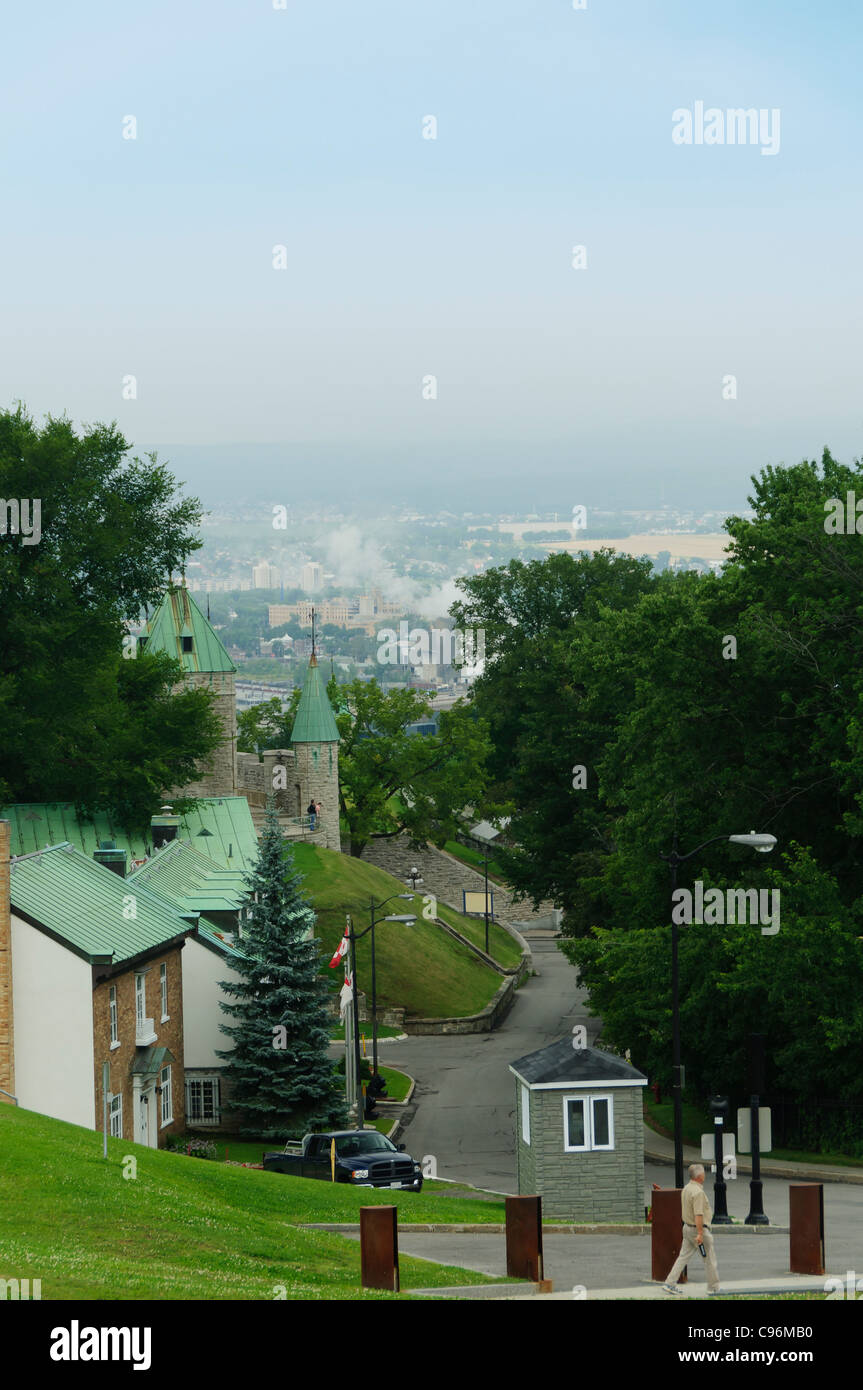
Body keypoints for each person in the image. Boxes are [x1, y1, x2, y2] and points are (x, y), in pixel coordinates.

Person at [663, 1163, 721, 1295]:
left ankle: (669, 1283)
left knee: (682, 1257)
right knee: (709, 1259)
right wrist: (700, 1234)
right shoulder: (698, 1192)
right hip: (698, 1231)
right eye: (704, 1173)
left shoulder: (687, 1188)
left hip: (687, 1229)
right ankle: (713, 1288)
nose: (705, 1175)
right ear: (700, 1176)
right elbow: (698, 1214)